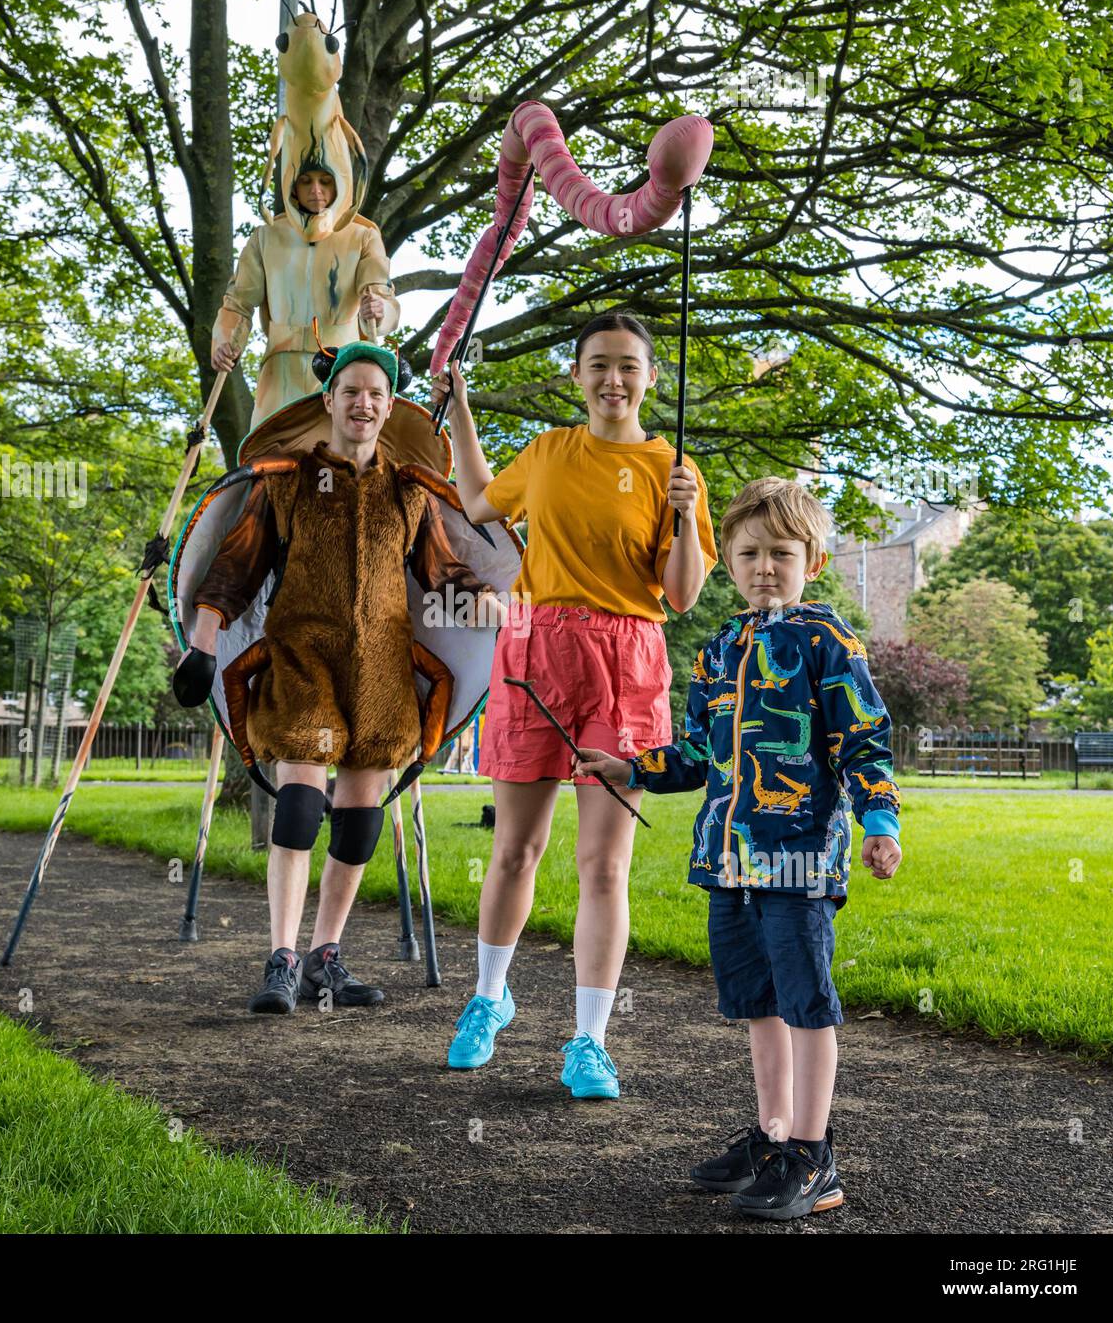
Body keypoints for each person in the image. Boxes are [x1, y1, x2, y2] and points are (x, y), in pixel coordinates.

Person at [575, 476, 903, 1218]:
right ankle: (773, 1136)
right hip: (729, 867)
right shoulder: (721, 647)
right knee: (758, 1006)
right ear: (725, 557)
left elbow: (864, 741)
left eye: (780, 553)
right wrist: (630, 766)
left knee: (807, 1005)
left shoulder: (827, 641)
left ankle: (813, 1157)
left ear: (812, 560)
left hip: (797, 865)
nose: (763, 566)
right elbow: (696, 751)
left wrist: (881, 819)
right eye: (748, 552)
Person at [431, 312, 718, 1098]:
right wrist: (459, 406)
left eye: (629, 365)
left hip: (628, 660)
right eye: (599, 364)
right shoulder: (552, 450)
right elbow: (481, 501)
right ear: (577, 373)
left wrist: (688, 515)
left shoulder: (673, 465)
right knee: (515, 849)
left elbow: (683, 593)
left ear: (650, 377)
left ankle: (589, 1040)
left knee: (603, 864)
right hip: (535, 650)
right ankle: (489, 997)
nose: (613, 379)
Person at [176, 342, 500, 1013]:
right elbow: (233, 570)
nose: (364, 403)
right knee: (298, 808)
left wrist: (501, 608)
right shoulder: (287, 481)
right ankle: (281, 957)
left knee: (358, 824)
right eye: (351, 390)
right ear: (329, 400)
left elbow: (443, 574)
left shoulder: (410, 490)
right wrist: (203, 644)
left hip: (383, 670)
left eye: (376, 393)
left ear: (390, 405)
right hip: (302, 660)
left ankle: (326, 956)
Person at [210, 162, 400, 431]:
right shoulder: (266, 236)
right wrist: (225, 341)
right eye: (305, 181)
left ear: (340, 185)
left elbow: (381, 296)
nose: (316, 190)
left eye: (325, 181)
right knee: (267, 450)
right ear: (292, 186)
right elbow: (238, 302)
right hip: (280, 369)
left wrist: (381, 311)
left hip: (342, 368)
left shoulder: (363, 236)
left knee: (340, 456)